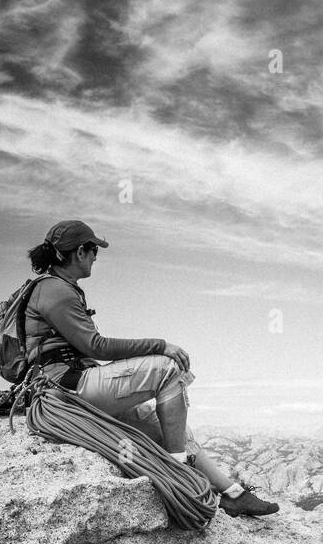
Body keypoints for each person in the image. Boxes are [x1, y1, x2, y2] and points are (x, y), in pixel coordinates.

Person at [23, 220, 279, 518]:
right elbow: (96, 346)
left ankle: (233, 494)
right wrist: (159, 346)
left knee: (178, 428)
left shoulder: (59, 288)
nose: (96, 256)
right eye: (93, 250)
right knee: (168, 369)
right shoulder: (56, 291)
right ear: (80, 252)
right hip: (67, 387)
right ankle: (180, 474)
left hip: (74, 382)